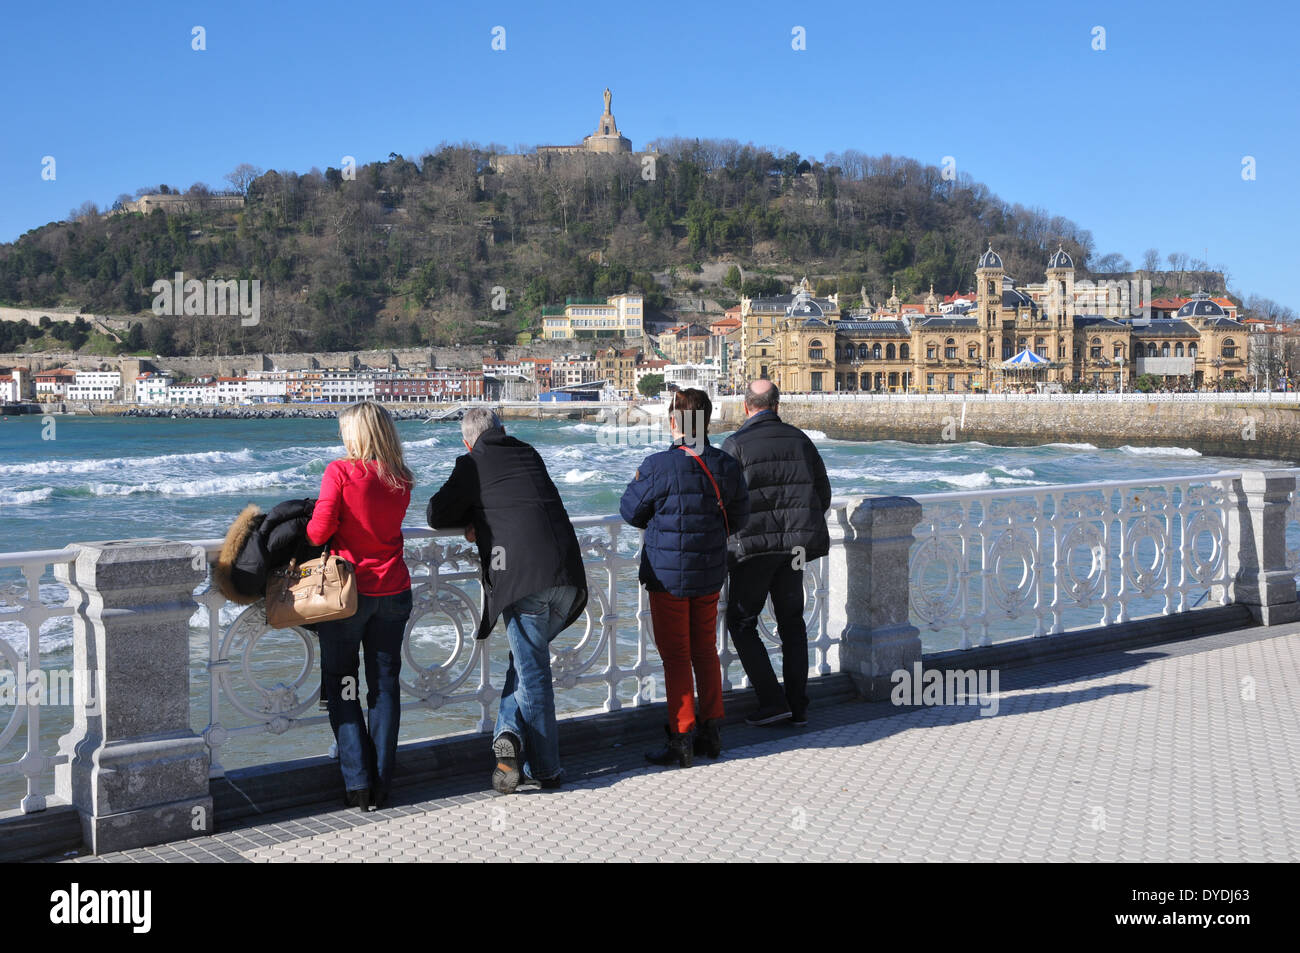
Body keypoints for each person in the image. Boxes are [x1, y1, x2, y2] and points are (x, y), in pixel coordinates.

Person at [427, 408, 588, 793]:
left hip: (523, 581)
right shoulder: (528, 452)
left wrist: (472, 519)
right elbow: (517, 499)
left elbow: (435, 513)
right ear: (504, 430)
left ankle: (547, 769)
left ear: (468, 441)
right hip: (567, 576)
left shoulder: (472, 463)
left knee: (532, 676)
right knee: (524, 666)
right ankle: (509, 739)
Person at [620, 388, 749, 767]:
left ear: (674, 421)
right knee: (705, 649)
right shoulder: (725, 465)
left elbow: (630, 511)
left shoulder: (659, 465)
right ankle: (712, 730)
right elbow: (740, 517)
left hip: (668, 576)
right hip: (710, 572)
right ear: (706, 421)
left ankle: (682, 736)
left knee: (676, 656)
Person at [306, 401, 414, 813]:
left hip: (349, 595)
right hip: (394, 590)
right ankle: (383, 783)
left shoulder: (341, 471)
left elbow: (318, 532)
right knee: (384, 686)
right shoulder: (401, 477)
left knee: (342, 682)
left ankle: (358, 783)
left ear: (358, 434)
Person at [722, 380, 831, 727]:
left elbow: (723, 501)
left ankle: (771, 700)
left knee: (742, 621)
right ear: (777, 405)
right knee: (792, 624)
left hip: (755, 550)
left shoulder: (735, 444)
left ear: (746, 406)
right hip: (796, 549)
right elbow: (822, 495)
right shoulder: (801, 440)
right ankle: (798, 706)